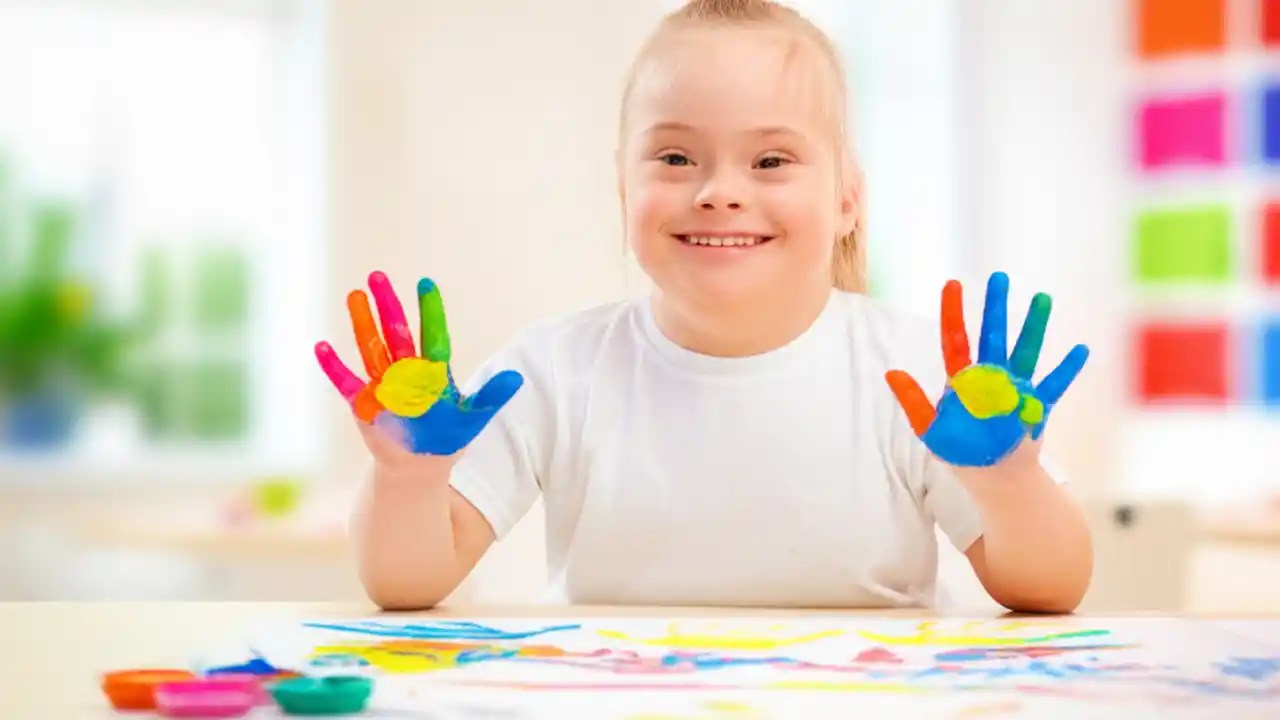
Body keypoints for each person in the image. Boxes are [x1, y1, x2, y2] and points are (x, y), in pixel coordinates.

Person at [315, 0, 1092, 613]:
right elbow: (406, 584)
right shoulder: (553, 371)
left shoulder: (915, 381)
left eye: (771, 160)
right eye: (676, 156)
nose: (720, 190)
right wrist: (409, 485)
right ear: (626, 190)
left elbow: (1050, 587)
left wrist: (1012, 485)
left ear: (848, 198)